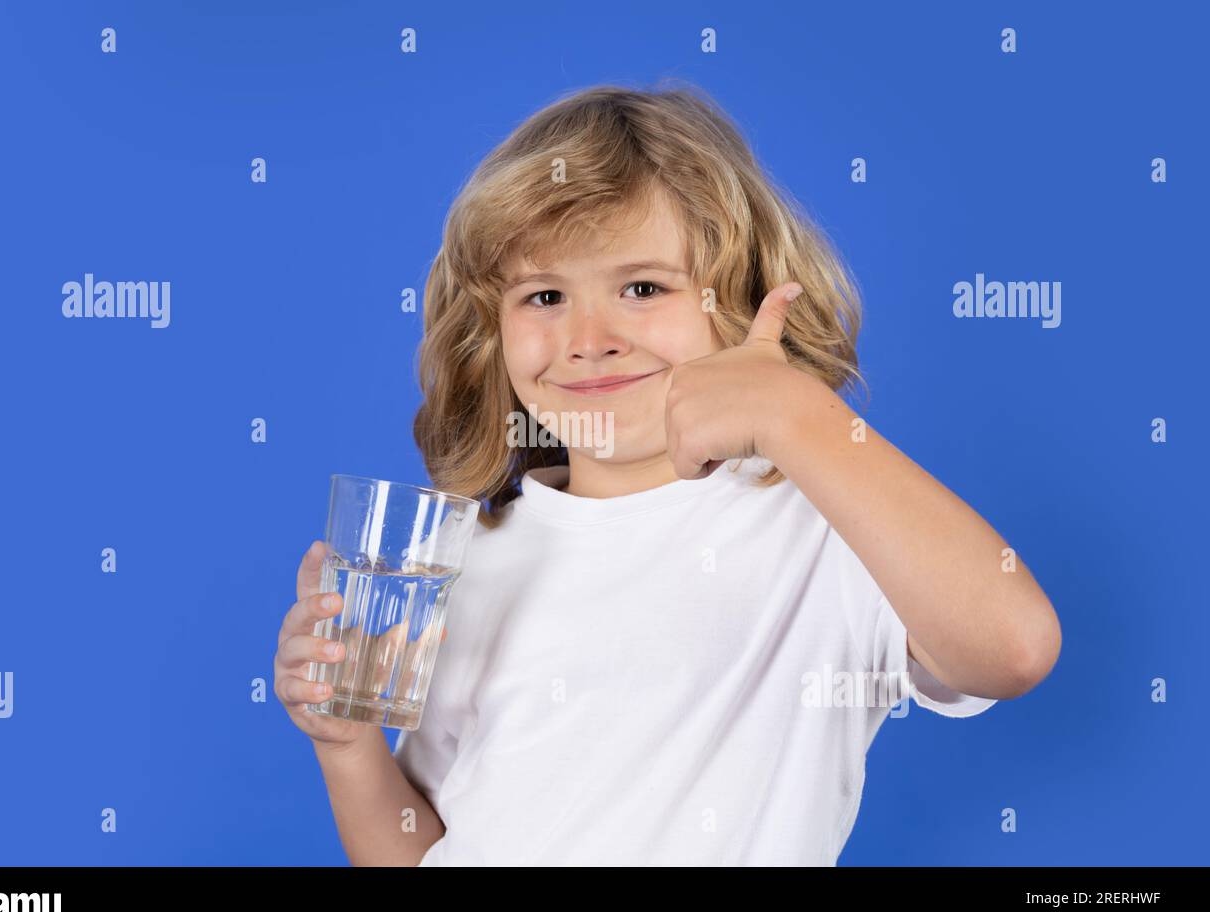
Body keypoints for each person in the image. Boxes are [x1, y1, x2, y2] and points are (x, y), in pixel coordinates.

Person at [274, 82, 1062, 866]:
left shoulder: (826, 529)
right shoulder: (468, 562)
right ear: (493, 332)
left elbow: (1013, 647)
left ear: (740, 299)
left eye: (642, 288)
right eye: (544, 295)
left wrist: (794, 415)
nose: (588, 338)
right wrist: (348, 750)